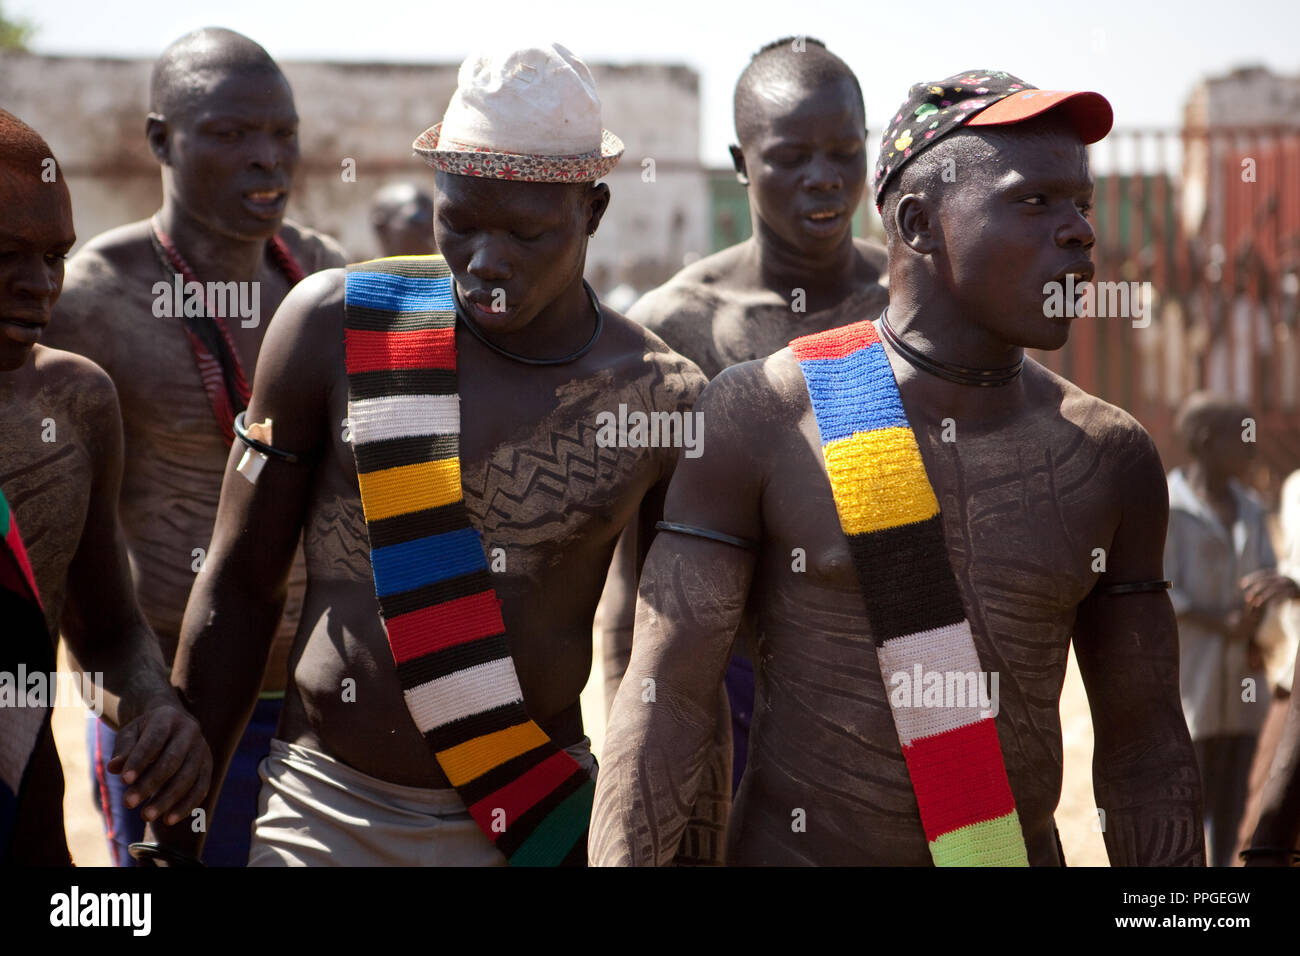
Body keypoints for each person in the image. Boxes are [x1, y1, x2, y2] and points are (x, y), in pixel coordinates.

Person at [592, 71, 1205, 866]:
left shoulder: (1107, 456)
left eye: (1080, 204)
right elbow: (668, 699)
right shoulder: (764, 418)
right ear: (919, 222)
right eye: (1034, 201)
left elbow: (1145, 749)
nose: (1081, 231)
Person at [146, 42, 706, 866]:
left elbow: (675, 661)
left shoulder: (660, 397)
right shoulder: (332, 328)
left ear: (593, 208)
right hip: (323, 812)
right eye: (462, 221)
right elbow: (240, 583)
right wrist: (175, 834)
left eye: (526, 231)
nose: (486, 260)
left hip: (531, 818)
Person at [42, 27, 347, 866]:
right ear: (159, 141)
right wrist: (139, 703)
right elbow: (54, 542)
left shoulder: (325, 284)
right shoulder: (90, 304)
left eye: (282, 134)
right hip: (171, 721)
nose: (267, 159)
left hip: (321, 718)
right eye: (231, 133)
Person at [610, 36, 889, 793]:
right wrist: (631, 752)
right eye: (790, 156)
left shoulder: (913, 304)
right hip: (730, 685)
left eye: (844, 151)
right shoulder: (677, 326)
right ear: (740, 164)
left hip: (898, 675)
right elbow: (639, 578)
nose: (823, 179)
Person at [0, 108, 210, 865]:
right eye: (6, 256)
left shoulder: (75, 402)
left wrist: (152, 703)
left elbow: (108, 629)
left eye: (56, 256)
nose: (39, 286)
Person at [1164, 391, 1292, 865]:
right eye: (1242, 436)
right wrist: (1222, 622)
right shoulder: (1169, 509)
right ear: (1203, 441)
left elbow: (1266, 575)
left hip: (1244, 683)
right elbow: (1164, 592)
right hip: (1192, 681)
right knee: (1192, 796)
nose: (1252, 447)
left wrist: (1255, 619)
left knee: (1237, 799)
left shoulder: (1254, 509)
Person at [370, 181, 436, 257]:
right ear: (382, 228)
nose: (432, 231)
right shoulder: (362, 269)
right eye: (417, 220)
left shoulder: (447, 267)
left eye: (433, 220)